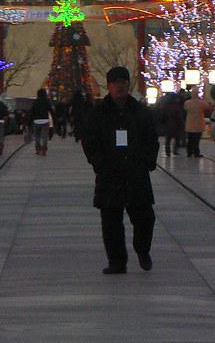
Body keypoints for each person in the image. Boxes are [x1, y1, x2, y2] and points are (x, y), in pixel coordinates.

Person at [82, 66, 159, 275]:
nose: (120, 86)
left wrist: (147, 162)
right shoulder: (99, 113)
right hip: (110, 173)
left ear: (128, 85)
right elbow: (89, 141)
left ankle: (142, 250)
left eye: (123, 82)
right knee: (111, 221)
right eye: (116, 82)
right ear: (109, 86)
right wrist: (99, 163)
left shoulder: (141, 112)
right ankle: (117, 261)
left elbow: (152, 139)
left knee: (145, 217)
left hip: (136, 172)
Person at [183, 91, 212, 158]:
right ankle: (196, 152)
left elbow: (185, 108)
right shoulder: (201, 103)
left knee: (190, 139)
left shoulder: (187, 103)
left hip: (190, 123)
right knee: (197, 139)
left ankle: (189, 152)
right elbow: (207, 106)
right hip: (198, 123)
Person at [158, 91, 183, 156]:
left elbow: (162, 116)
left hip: (168, 125)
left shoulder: (165, 107)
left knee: (168, 139)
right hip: (176, 125)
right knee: (177, 138)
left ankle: (168, 151)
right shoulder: (177, 107)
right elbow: (179, 116)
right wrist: (181, 123)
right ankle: (175, 150)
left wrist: (163, 123)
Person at [31, 88, 52, 156]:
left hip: (36, 121)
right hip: (45, 120)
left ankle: (38, 149)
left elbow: (32, 112)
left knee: (37, 136)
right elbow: (50, 110)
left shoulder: (35, 102)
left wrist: (30, 121)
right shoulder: (46, 101)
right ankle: (44, 148)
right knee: (44, 136)